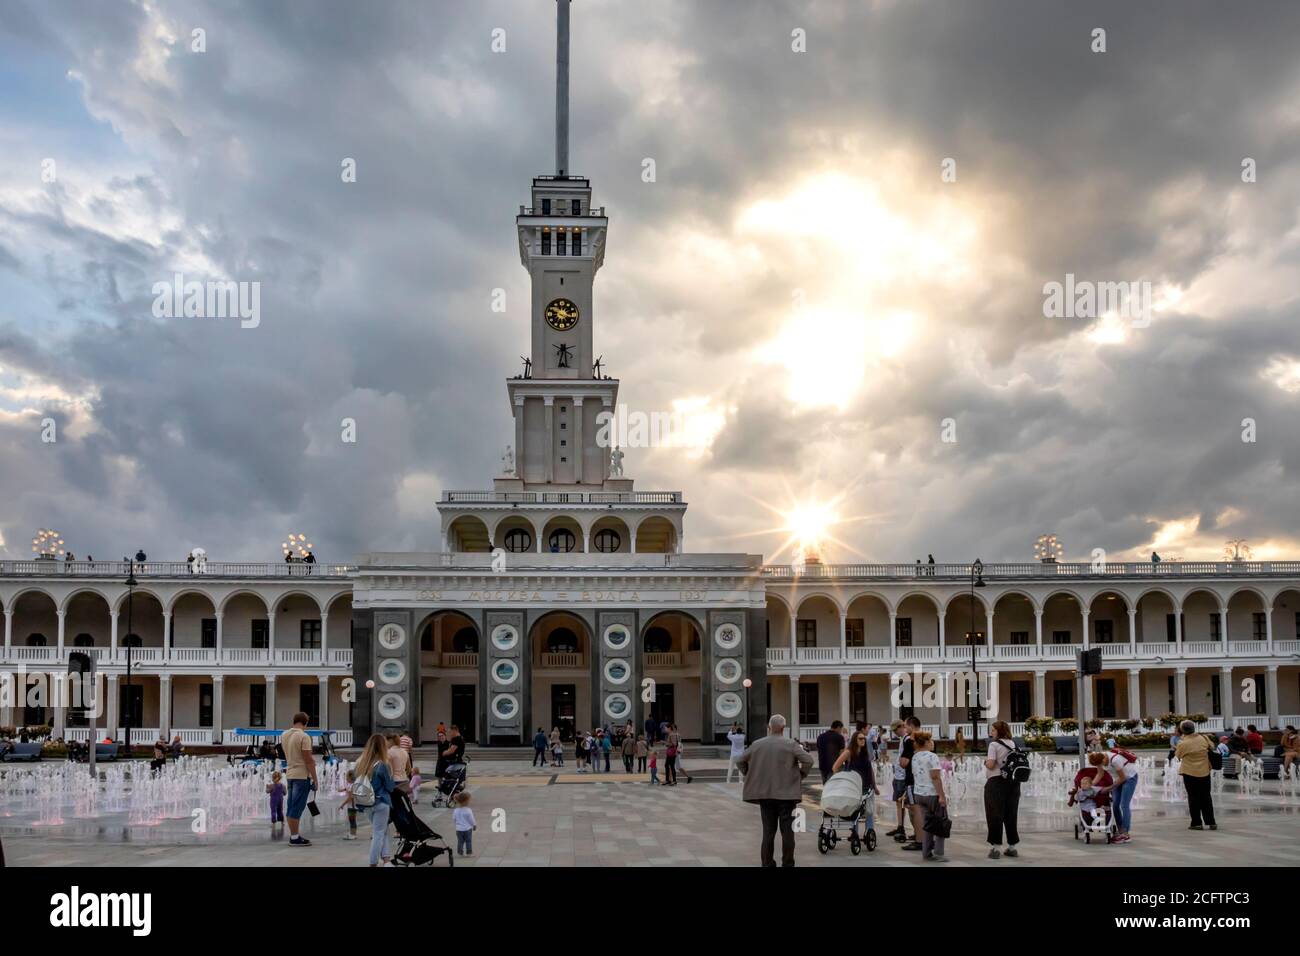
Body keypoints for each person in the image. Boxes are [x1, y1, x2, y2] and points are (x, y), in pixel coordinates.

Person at [735, 714, 814, 867]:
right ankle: (788, 863)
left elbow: (740, 760)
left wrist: (748, 773)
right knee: (788, 833)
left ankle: (767, 863)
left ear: (769, 727)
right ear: (783, 728)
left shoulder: (757, 744)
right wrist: (801, 774)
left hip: (766, 795)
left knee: (768, 833)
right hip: (787, 796)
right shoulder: (791, 744)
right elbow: (809, 760)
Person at [353, 733, 396, 866]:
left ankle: (387, 859)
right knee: (378, 833)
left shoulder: (360, 763)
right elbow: (390, 787)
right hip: (381, 802)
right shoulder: (382, 765)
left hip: (365, 804)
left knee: (383, 830)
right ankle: (373, 863)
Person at [983, 720, 1021, 858]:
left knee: (994, 813)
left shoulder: (994, 745)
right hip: (1013, 783)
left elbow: (991, 764)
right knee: (1011, 813)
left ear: (999, 731)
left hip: (996, 783)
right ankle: (1012, 847)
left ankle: (996, 848)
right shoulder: (1013, 743)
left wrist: (985, 762)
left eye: (993, 730)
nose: (991, 733)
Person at [280, 711, 317, 847]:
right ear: (305, 723)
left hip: (289, 774)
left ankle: (294, 835)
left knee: (291, 806)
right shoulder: (304, 736)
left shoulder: (284, 735)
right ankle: (295, 838)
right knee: (297, 807)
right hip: (302, 776)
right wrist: (315, 779)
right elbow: (308, 760)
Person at [910, 731, 947, 861]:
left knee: (927, 824)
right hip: (932, 794)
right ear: (926, 742)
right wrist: (942, 796)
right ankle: (938, 853)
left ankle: (926, 852)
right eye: (931, 741)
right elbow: (935, 777)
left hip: (919, 794)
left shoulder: (915, 757)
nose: (933, 743)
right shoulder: (932, 756)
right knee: (939, 824)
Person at [1174, 719, 1217, 830]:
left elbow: (1178, 756)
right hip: (1204, 771)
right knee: (1206, 797)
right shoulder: (1203, 738)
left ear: (1182, 730)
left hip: (1189, 772)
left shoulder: (1182, 743)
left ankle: (1197, 823)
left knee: (1193, 797)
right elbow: (1212, 747)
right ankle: (1211, 822)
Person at [1108, 742, 1139, 843]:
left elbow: (1123, 777)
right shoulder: (1101, 759)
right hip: (1119, 779)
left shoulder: (1115, 760)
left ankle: (1125, 833)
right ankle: (1120, 830)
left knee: (1124, 805)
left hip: (1130, 778)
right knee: (1115, 805)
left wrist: (1110, 787)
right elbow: (1100, 775)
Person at [830, 726, 875, 796]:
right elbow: (835, 767)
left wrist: (875, 786)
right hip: (854, 788)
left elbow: (870, 769)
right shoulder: (849, 752)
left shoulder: (865, 752)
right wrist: (840, 782)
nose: (863, 740)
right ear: (855, 740)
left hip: (867, 787)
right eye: (860, 738)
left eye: (864, 738)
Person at [452, 791, 476, 856]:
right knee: (468, 841)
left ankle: (460, 852)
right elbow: (471, 819)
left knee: (460, 841)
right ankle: (469, 852)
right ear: (466, 801)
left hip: (459, 829)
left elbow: (454, 819)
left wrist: (457, 824)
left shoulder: (456, 810)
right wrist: (474, 825)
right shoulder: (468, 810)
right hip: (467, 829)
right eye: (469, 800)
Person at [339, 769, 358, 839]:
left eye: (346, 777)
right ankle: (352, 833)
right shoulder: (352, 784)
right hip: (353, 805)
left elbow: (350, 797)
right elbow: (347, 789)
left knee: (352, 820)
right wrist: (342, 790)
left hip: (352, 806)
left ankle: (353, 834)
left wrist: (342, 805)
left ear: (350, 777)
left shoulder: (351, 786)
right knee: (352, 820)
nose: (346, 778)